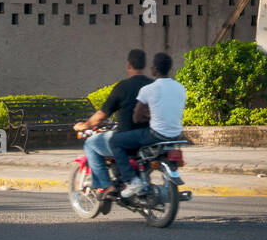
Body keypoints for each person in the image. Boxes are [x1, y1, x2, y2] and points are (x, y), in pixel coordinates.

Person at [73, 48, 151, 197]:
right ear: (144, 65)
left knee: (91, 144)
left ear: (128, 65)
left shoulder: (123, 87)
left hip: (126, 137)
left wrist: (85, 125)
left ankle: (107, 186)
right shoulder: (152, 85)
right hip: (147, 137)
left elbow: (101, 115)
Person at [111, 52, 186, 198]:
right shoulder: (180, 87)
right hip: (176, 135)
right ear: (169, 69)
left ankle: (131, 180)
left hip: (155, 135)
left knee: (115, 142)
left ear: (155, 69)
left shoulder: (149, 89)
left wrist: (147, 116)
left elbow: (136, 118)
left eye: (152, 66)